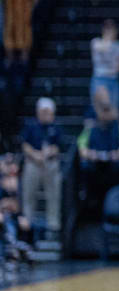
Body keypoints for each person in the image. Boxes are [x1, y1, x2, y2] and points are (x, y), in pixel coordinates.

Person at [21, 98, 65, 237]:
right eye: (43, 111)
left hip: (50, 163)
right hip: (33, 162)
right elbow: (24, 144)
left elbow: (59, 146)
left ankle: (53, 225)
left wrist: (50, 151)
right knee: (29, 194)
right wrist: (35, 154)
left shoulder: (56, 127)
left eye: (48, 112)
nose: (45, 115)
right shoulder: (31, 125)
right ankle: (27, 222)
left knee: (53, 194)